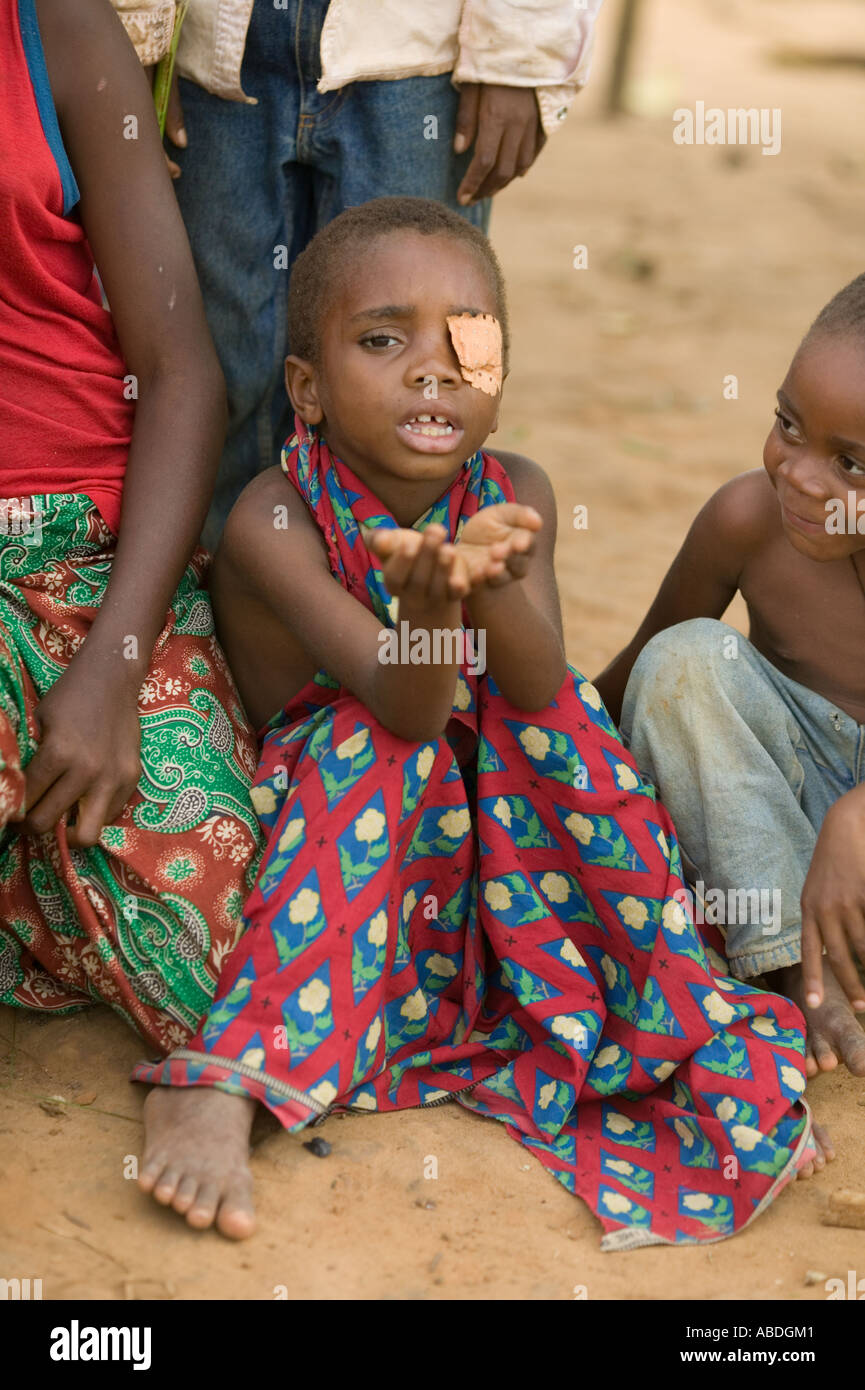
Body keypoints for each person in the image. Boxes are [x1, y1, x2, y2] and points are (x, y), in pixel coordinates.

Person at [133, 197, 826, 1246]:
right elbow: (406, 707)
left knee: (564, 729)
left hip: (495, 826)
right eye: (383, 339)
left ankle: (663, 992)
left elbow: (541, 688)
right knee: (382, 748)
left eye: (468, 339)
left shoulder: (515, 490)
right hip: (350, 813)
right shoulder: (274, 515)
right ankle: (233, 1073)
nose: (433, 368)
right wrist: (427, 605)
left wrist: (494, 577)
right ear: (305, 391)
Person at [0, 0, 262, 1056]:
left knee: (209, 953)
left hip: (82, 553)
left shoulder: (56, 30)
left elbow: (181, 371)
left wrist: (114, 662)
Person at [111, 0, 604, 546]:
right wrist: (132, 35)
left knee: (408, 380)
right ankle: (224, 589)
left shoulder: (522, 494)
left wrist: (523, 48)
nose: (430, 374)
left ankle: (394, 594)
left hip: (419, 51)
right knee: (223, 364)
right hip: (213, 45)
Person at [595, 274, 865, 1082]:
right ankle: (790, 969)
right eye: (787, 425)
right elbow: (629, 687)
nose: (800, 475)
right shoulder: (746, 522)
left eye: (850, 463)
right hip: (778, 846)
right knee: (684, 660)